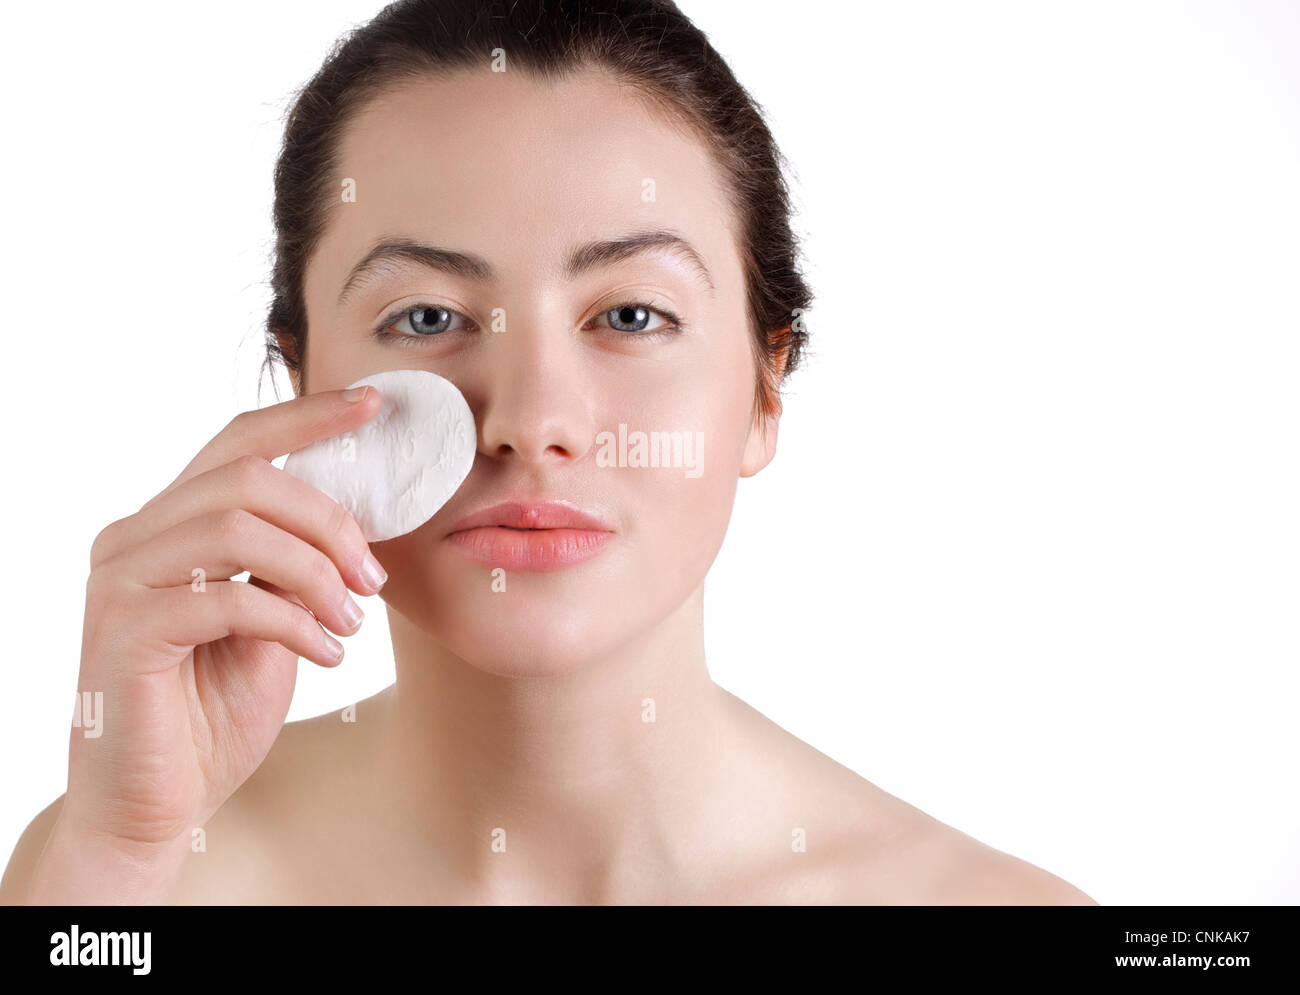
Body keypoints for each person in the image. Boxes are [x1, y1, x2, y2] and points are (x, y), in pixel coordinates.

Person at [1, 0, 1096, 905]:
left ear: (765, 391)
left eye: (628, 315)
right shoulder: (133, 875)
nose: (530, 418)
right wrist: (114, 859)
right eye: (427, 317)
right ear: (301, 382)